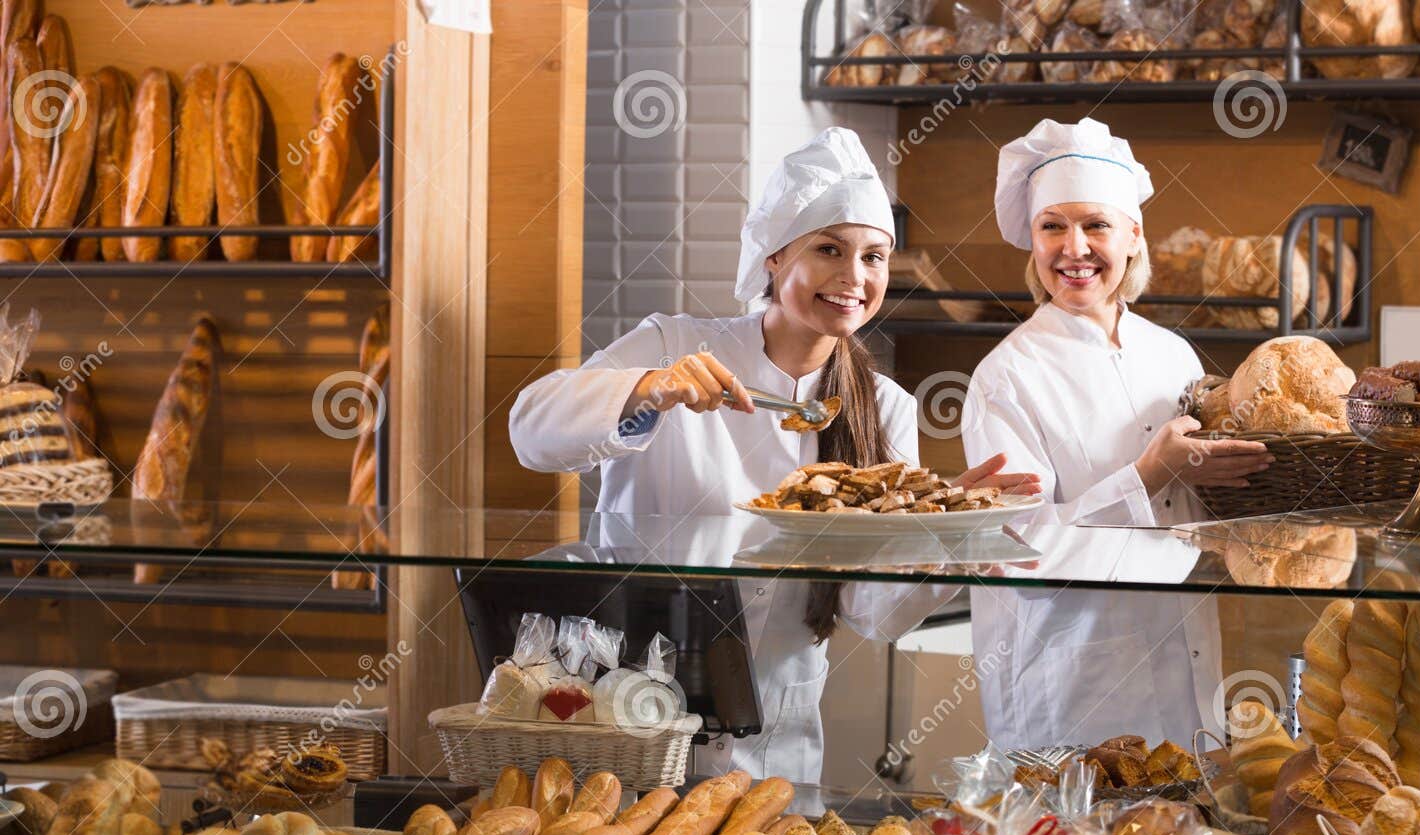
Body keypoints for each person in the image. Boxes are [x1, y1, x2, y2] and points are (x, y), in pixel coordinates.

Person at [510, 127, 1036, 782]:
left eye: (874, 257)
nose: (854, 277)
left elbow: (870, 611)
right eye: (829, 249)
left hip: (774, 741)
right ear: (774, 257)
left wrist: (946, 541)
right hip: (630, 712)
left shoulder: (886, 406)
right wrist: (648, 388)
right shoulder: (676, 345)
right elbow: (530, 431)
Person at [962, 117, 1271, 749]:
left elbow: (1195, 520)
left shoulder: (1173, 356)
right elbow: (1021, 554)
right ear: (1033, 241)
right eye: (1053, 226)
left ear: (1133, 235)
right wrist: (1149, 474)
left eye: (1095, 224)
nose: (1073, 248)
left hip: (1183, 656)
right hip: (1070, 678)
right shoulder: (1007, 378)